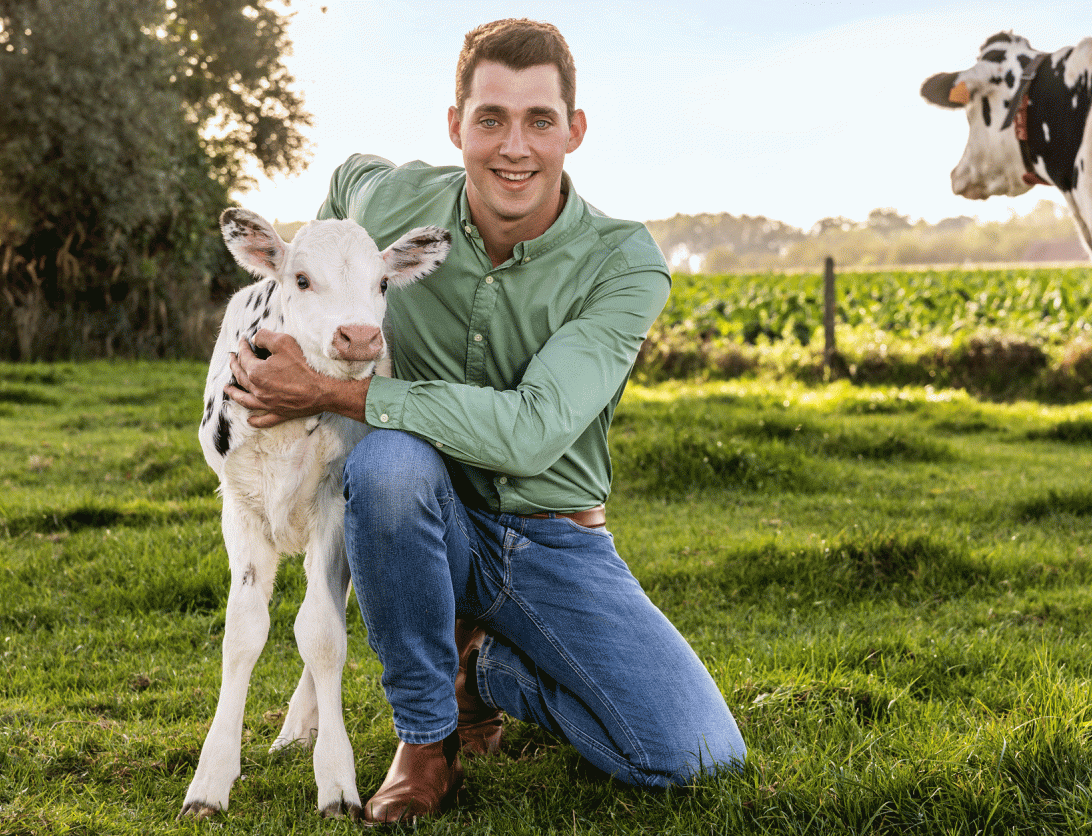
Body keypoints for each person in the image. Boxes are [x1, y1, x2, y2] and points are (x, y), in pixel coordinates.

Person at [223, 18, 746, 825]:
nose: (514, 147)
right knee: (385, 467)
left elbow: (535, 430)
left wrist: (332, 394)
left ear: (573, 129)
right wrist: (286, 327)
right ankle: (426, 739)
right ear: (455, 126)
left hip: (556, 540)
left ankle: (487, 676)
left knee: (693, 757)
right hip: (422, 524)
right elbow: (337, 200)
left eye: (540, 121)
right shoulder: (390, 199)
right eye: (490, 119)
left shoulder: (623, 263)